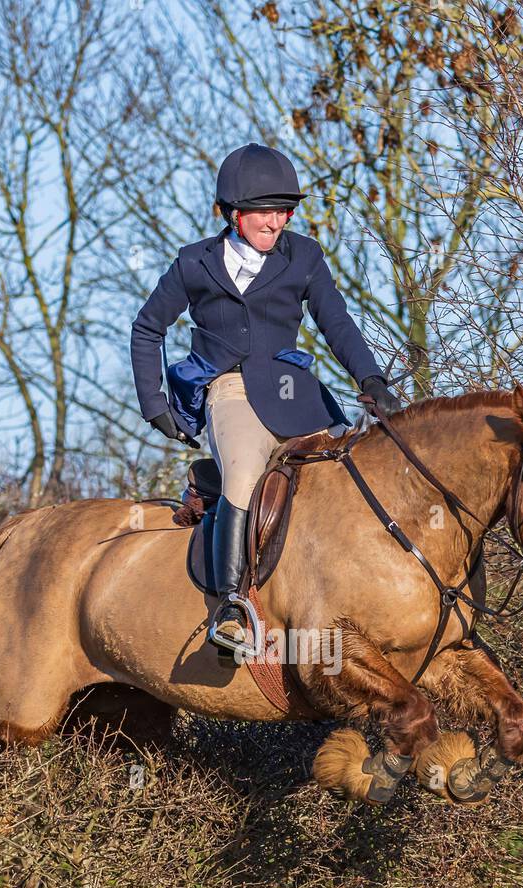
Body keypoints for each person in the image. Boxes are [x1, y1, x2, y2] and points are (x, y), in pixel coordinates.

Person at [130, 142, 400, 655]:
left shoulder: (304, 256)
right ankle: (232, 606)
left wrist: (371, 380)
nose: (278, 222)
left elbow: (336, 323)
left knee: (353, 473)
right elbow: (147, 328)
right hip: (229, 390)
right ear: (234, 212)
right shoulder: (194, 264)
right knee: (244, 474)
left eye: (285, 211)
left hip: (294, 391)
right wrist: (154, 403)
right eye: (266, 212)